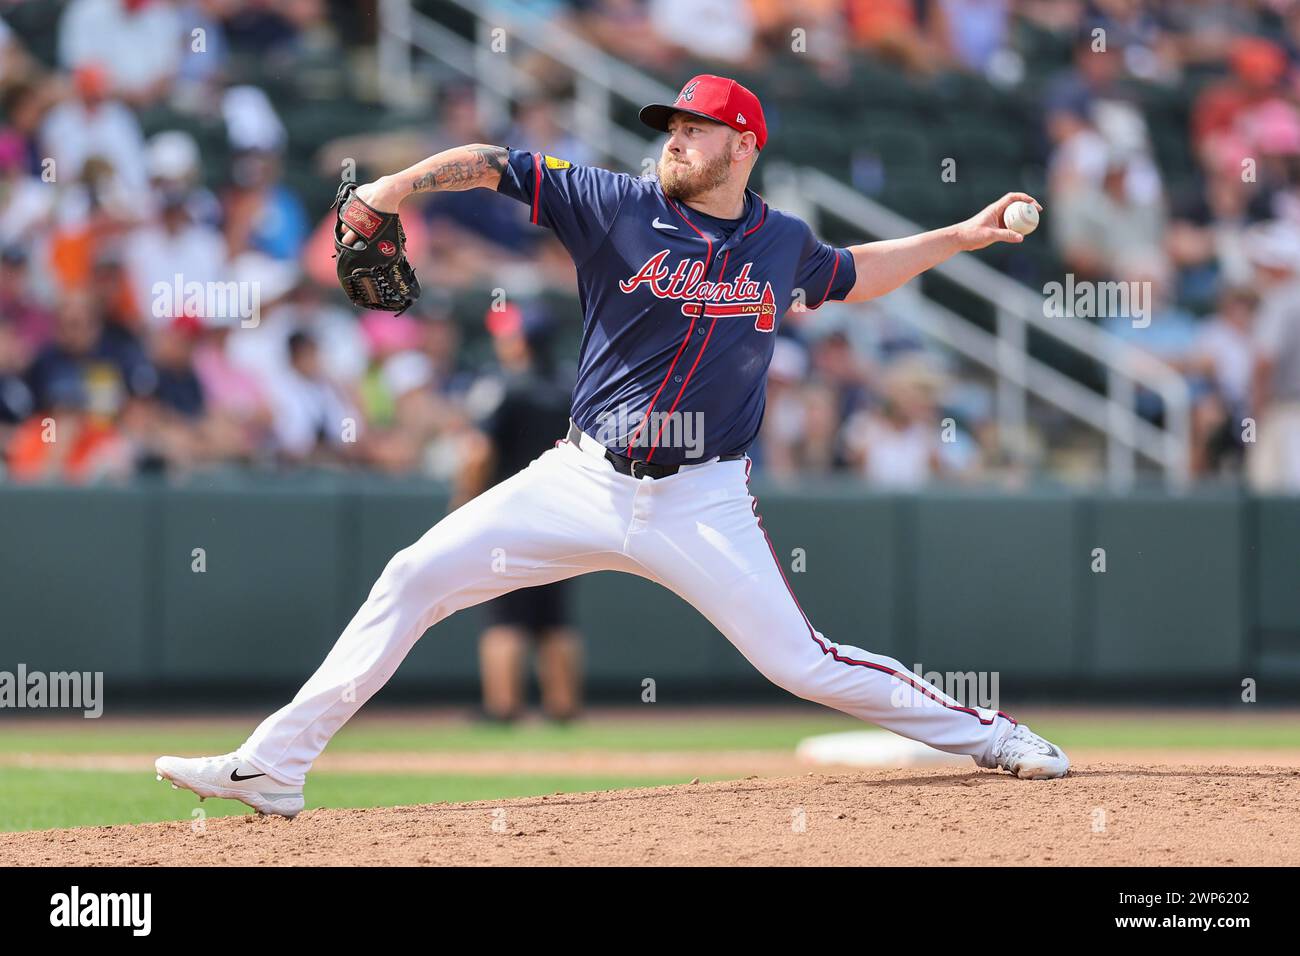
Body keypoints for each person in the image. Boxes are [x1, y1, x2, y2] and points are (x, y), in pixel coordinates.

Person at [156, 75, 1068, 818]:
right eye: (671, 125)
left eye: (697, 128)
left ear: (744, 145)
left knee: (803, 664)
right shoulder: (612, 205)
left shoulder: (779, 243)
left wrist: (958, 234)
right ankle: (274, 766)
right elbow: (495, 164)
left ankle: (992, 734)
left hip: (700, 498)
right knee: (412, 576)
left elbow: (855, 274)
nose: (676, 138)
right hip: (581, 478)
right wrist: (392, 189)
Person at [456, 303, 582, 723]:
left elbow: (478, 452)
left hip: (510, 515)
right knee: (554, 618)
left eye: (510, 334)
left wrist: (464, 504)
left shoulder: (503, 386)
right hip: (562, 515)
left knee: (505, 614)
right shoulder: (571, 388)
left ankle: (502, 708)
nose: (502, 341)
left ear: (523, 340)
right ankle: (563, 708)